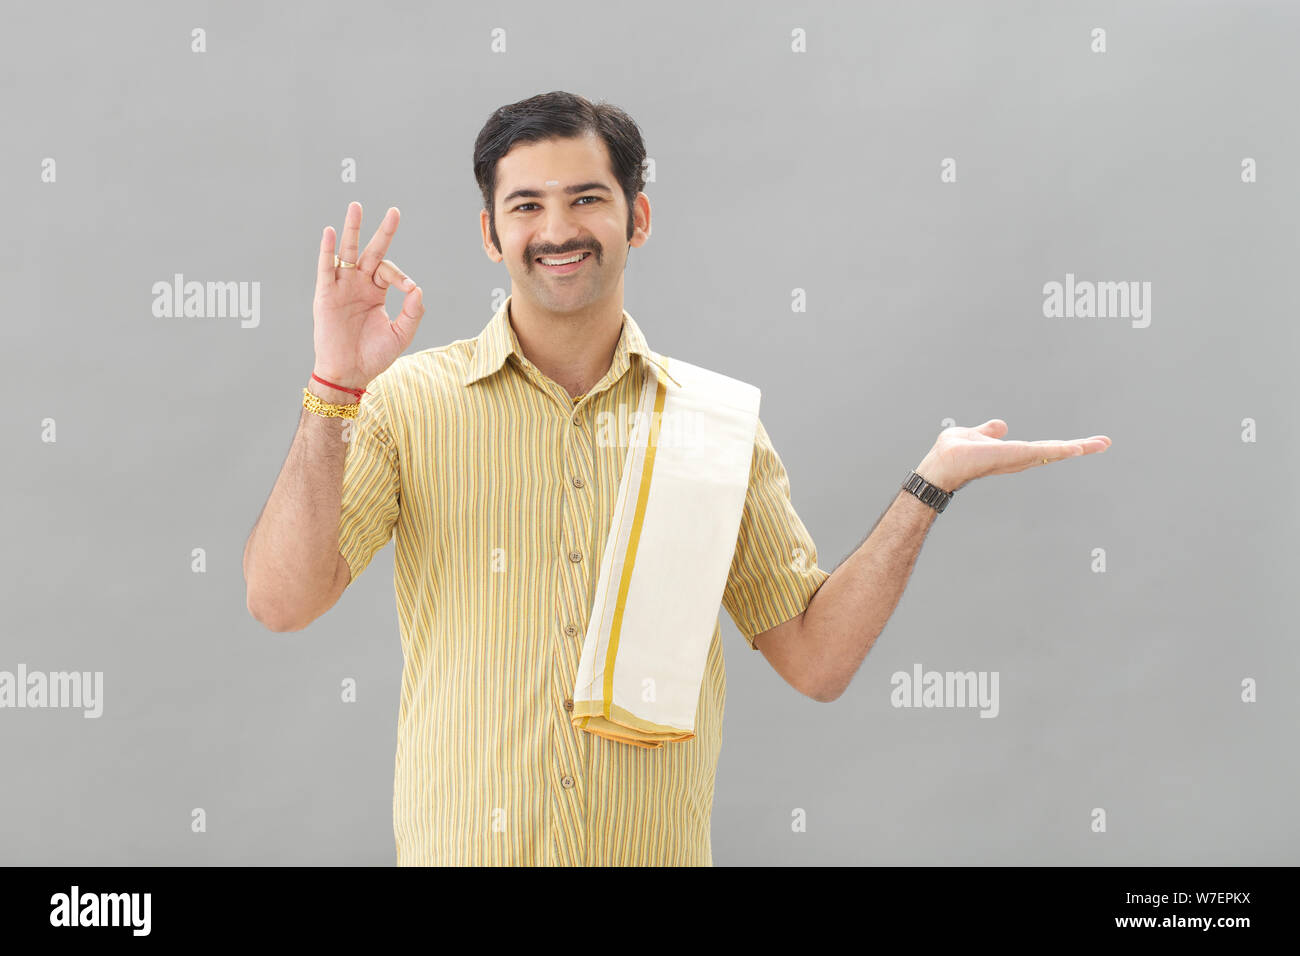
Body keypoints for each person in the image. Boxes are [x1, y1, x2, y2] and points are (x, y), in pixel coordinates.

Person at [242, 90, 1111, 867]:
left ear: (638, 216)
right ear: (489, 231)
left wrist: (930, 485)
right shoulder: (405, 403)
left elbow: (817, 660)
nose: (557, 230)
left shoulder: (713, 425)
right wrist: (335, 389)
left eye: (587, 198)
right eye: (527, 205)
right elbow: (283, 602)